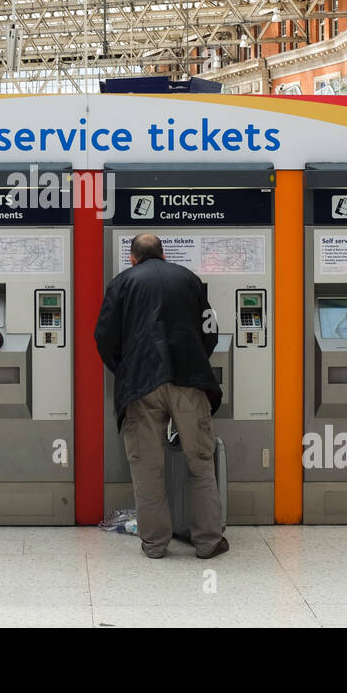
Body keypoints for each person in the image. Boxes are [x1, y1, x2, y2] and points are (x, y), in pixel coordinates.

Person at [94, 233, 227, 559]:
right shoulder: (189, 279)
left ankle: (155, 545)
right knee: (200, 464)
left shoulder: (122, 283)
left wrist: (125, 370)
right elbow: (210, 331)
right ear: (164, 255)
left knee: (148, 470)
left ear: (133, 258)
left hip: (142, 386)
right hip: (188, 380)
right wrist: (195, 361)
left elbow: (104, 338)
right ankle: (208, 542)